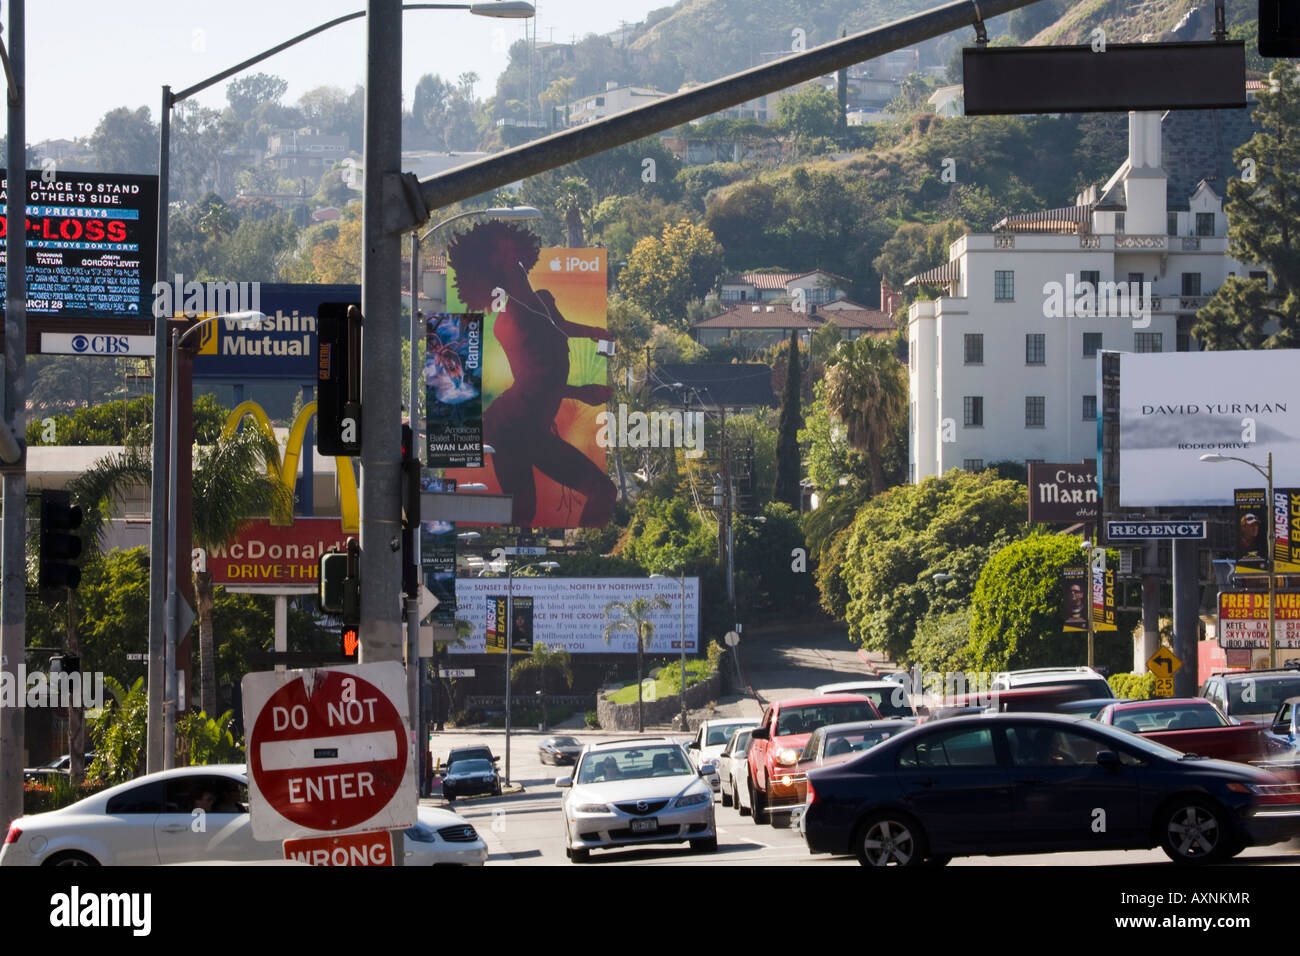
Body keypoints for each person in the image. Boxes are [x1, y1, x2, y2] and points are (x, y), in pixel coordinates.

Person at [446, 221, 616, 528]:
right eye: (507, 259)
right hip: (512, 428)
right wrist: (580, 391)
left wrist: (594, 332)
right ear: (495, 275)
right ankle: (455, 515)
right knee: (531, 509)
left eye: (517, 257)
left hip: (529, 426)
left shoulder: (542, 301)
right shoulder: (508, 323)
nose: (518, 263)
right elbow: (532, 382)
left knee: (533, 509)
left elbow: (559, 327)